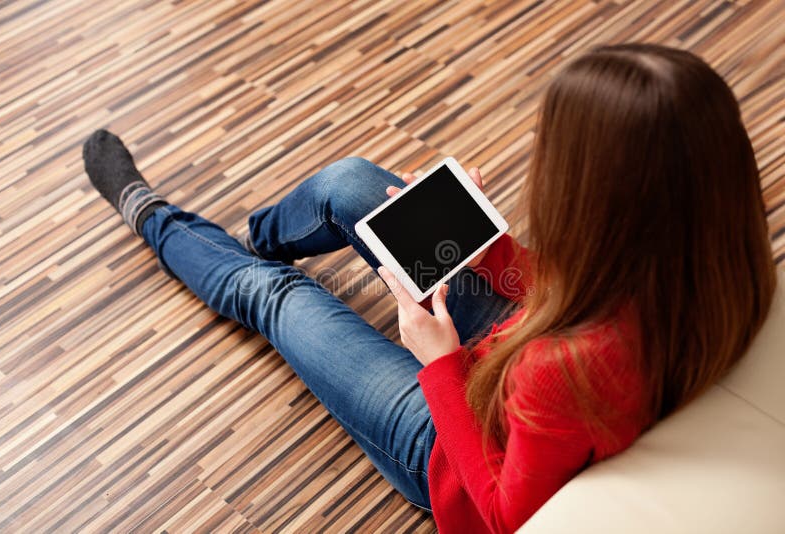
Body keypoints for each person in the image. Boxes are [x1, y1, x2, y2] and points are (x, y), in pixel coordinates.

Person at [82, 43, 777, 533]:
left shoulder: (561, 372)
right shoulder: (722, 264)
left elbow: (505, 515)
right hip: (528, 354)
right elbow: (588, 295)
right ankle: (255, 238)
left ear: (594, 196)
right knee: (352, 186)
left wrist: (438, 362)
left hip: (462, 444)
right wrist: (494, 253)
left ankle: (155, 217)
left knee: (280, 299)